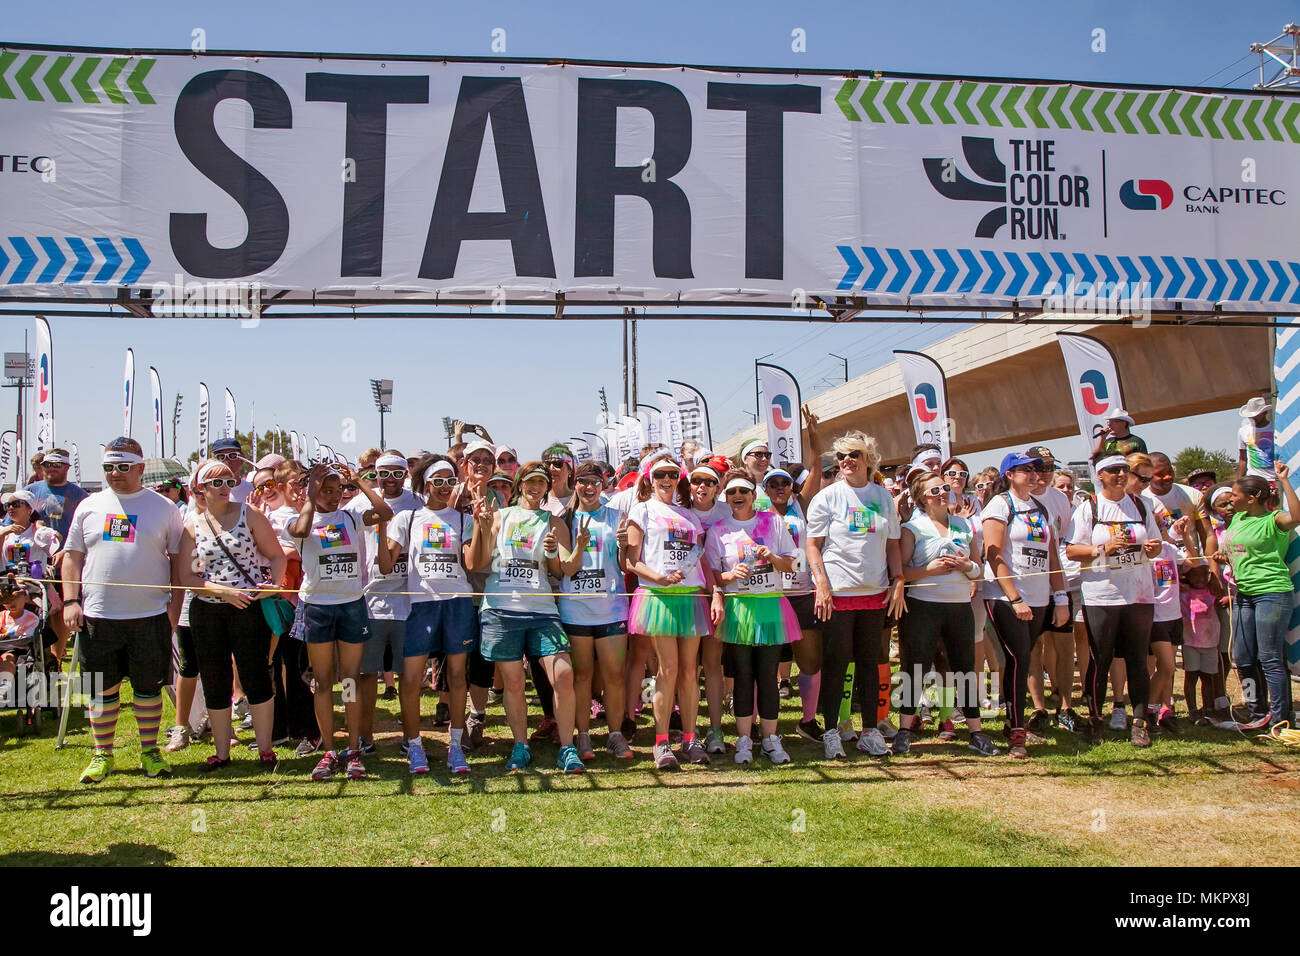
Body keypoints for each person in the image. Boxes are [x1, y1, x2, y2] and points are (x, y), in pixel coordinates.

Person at [62, 437, 185, 784]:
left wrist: (174, 610)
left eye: (123, 466)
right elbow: (72, 557)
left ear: (140, 468)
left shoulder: (165, 508)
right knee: (101, 690)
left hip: (150, 615)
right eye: (108, 467)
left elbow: (177, 564)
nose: (115, 473)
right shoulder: (89, 506)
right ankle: (103, 753)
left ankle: (149, 752)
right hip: (98, 616)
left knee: (148, 689)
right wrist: (71, 601)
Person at [466, 461, 584, 773]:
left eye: (541, 482)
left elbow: (561, 569)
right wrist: (480, 526)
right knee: (515, 681)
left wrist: (554, 551)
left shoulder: (554, 522)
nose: (535, 487)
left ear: (547, 487)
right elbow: (477, 563)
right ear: (520, 484)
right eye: (530, 481)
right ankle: (520, 746)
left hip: (542, 610)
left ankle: (567, 747)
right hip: (500, 609)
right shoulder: (500, 516)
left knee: (563, 674)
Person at [177, 459, 287, 771]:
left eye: (230, 482)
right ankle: (222, 752)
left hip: (247, 608)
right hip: (207, 610)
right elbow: (187, 577)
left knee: (256, 675)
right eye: (217, 483)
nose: (226, 488)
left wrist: (275, 584)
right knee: (215, 679)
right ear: (200, 489)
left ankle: (266, 751)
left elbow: (276, 555)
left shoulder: (248, 513)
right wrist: (222, 591)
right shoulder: (192, 525)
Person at [288, 463, 392, 781]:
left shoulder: (350, 517)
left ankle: (353, 749)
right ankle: (329, 751)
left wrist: (359, 482)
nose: (334, 497)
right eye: (327, 491)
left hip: (350, 605)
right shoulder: (298, 520)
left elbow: (384, 512)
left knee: (349, 680)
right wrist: (310, 496)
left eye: (338, 490)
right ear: (312, 490)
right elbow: (301, 532)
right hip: (317, 607)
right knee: (322, 682)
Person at [806, 431, 904, 760]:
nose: (847, 461)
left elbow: (893, 544)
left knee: (869, 663)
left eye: (854, 454)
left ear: (868, 460)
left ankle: (870, 731)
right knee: (836, 663)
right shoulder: (828, 497)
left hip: (874, 593)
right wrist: (822, 583)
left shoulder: (882, 496)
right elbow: (812, 545)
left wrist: (898, 579)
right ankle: (831, 731)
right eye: (842, 456)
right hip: (837, 594)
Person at [380, 454, 479, 774]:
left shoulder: (463, 519)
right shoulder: (407, 518)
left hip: (457, 601)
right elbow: (385, 565)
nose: (444, 487)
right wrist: (381, 526)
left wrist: (482, 523)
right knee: (411, 679)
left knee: (457, 677)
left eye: (450, 481)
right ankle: (415, 746)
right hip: (420, 604)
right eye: (438, 481)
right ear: (425, 484)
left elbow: (473, 563)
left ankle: (456, 746)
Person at [623, 453, 720, 770]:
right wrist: (658, 578)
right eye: (660, 474)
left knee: (691, 671)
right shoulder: (642, 510)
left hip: (691, 597)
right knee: (668, 669)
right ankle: (661, 742)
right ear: (650, 479)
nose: (666, 479)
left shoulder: (689, 515)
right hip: (659, 598)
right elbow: (631, 560)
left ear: (679, 479)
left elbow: (702, 559)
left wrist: (715, 592)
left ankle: (690, 738)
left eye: (672, 474)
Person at [896, 470, 998, 755]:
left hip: (960, 607)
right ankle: (904, 729)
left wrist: (967, 567)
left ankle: (976, 732)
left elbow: (978, 571)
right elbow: (901, 572)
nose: (942, 493)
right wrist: (929, 569)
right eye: (934, 491)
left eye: (944, 488)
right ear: (921, 499)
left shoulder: (964, 525)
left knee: (965, 668)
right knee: (915, 668)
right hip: (923, 607)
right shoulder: (912, 528)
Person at [1065, 453, 1163, 747]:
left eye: (1124, 469)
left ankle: (1140, 723)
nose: (1120, 475)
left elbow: (1156, 545)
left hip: (1138, 593)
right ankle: (1096, 720)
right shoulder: (1089, 507)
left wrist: (1153, 547)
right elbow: (1072, 551)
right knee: (1101, 659)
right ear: (1100, 475)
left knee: (1137, 660)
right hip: (1102, 594)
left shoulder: (1141, 505)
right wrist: (1103, 548)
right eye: (1113, 470)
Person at [705, 470, 800, 764]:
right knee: (743, 676)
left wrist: (771, 557)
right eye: (731, 492)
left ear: (753, 494)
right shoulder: (719, 530)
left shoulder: (773, 522)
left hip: (770, 606)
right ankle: (744, 739)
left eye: (743, 491)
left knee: (769, 676)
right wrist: (730, 575)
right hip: (740, 610)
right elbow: (711, 575)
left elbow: (792, 564)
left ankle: (771, 738)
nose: (737, 496)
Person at [982, 453, 1070, 758]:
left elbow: (1053, 555)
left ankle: (1012, 721)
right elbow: (993, 554)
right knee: (1019, 658)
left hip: (1039, 597)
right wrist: (1015, 598)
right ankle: (1018, 731)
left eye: (1037, 469)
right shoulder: (1000, 505)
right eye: (1026, 470)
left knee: (1021, 658)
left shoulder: (1041, 507)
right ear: (1009, 474)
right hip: (1005, 597)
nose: (1034, 474)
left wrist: (1060, 597)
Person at [1216, 463, 1300, 731]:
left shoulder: (1273, 521)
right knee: (1243, 658)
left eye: (1235, 495)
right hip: (1244, 594)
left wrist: (1284, 481)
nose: (1230, 499)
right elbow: (1239, 549)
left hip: (1271, 594)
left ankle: (1279, 719)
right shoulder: (1238, 519)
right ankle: (1257, 713)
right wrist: (1225, 556)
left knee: (1270, 659)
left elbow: (1296, 517)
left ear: (1252, 498)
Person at [558, 461, 632, 760]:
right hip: (576, 609)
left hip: (611, 608)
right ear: (574, 483)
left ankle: (615, 735)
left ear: (603, 485)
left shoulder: (616, 516)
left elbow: (625, 565)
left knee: (614, 676)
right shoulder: (563, 520)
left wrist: (625, 547)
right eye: (583, 481)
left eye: (595, 482)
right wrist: (578, 545)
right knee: (582, 676)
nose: (589, 488)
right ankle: (583, 736)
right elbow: (566, 568)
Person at [349, 451, 420, 755]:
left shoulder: (418, 502)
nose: (390, 480)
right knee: (365, 674)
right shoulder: (357, 504)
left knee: (408, 675)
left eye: (397, 473)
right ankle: (365, 737)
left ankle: (410, 738)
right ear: (375, 475)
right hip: (369, 598)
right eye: (384, 474)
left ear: (406, 474)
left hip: (408, 599)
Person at [1022, 446, 1084, 735]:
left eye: (1049, 467)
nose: (1045, 473)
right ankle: (1038, 708)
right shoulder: (1017, 497)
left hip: (1058, 583)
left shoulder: (1060, 499)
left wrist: (1059, 592)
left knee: (1064, 646)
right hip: (1028, 585)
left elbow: (1062, 543)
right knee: (1033, 648)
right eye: (1039, 467)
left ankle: (1066, 706)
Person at [764, 467, 825, 743]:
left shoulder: (800, 507)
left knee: (810, 661)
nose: (780, 487)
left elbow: (816, 467)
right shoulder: (759, 514)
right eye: (773, 483)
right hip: (770, 595)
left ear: (792, 487)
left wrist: (814, 444)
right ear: (765, 489)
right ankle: (763, 725)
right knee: (766, 665)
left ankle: (808, 721)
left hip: (801, 592)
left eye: (785, 483)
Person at [686, 459, 732, 754]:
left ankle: (715, 730)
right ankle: (690, 732)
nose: (702, 486)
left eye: (709, 482)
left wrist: (717, 588)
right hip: (689, 595)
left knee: (713, 665)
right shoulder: (681, 511)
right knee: (689, 668)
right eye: (696, 481)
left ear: (718, 487)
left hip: (721, 594)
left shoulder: (727, 511)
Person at [0, 488, 67, 657]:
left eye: (16, 504)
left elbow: (55, 540)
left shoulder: (37, 531)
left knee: (40, 628)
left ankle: (51, 657)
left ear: (29, 508)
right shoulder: (4, 532)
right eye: (8, 505)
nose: (10, 508)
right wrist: (4, 533)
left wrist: (44, 530)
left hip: (34, 589)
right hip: (7, 588)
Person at [1179, 563, 1220, 723]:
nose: (1200, 579)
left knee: (1208, 677)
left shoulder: (1212, 590)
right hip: (1190, 642)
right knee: (1191, 676)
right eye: (1195, 575)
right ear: (1187, 576)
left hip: (1210, 643)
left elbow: (1225, 597)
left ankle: (1208, 708)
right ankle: (1193, 710)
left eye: (1203, 574)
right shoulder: (1183, 592)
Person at [25, 448, 88, 542]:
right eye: (47, 465)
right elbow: (11, 525)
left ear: (67, 467)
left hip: (67, 550)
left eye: (56, 465)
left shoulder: (80, 496)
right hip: (35, 550)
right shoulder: (29, 492)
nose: (51, 468)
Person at [1237, 397, 1276, 483]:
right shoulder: (1243, 431)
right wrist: (1239, 482)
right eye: (1250, 415)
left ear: (1265, 412)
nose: (1253, 418)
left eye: (1256, 415)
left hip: (1274, 479)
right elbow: (1243, 458)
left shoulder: (1275, 428)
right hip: (1254, 480)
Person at [210, 437, 254, 503]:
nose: (227, 460)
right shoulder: (207, 492)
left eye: (232, 455)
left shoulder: (252, 490)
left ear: (242, 459)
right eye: (221, 457)